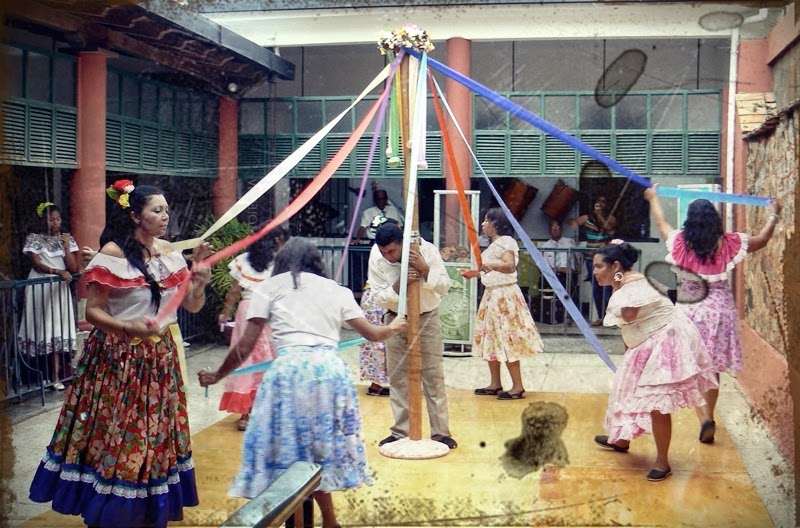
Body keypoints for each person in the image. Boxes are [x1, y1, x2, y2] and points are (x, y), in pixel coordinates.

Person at [29, 183, 212, 528]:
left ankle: (143, 506)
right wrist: (129, 328)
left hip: (159, 359)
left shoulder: (169, 251)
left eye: (166, 210)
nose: (164, 216)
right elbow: (94, 310)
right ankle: (110, 508)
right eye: (156, 210)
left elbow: (191, 305)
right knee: (118, 433)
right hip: (118, 359)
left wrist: (199, 281)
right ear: (134, 216)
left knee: (155, 434)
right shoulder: (112, 253)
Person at [198, 237, 407, 528]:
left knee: (289, 452)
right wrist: (394, 327)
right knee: (320, 450)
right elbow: (373, 334)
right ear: (316, 262)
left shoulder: (267, 288)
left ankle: (292, 517)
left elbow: (244, 346)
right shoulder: (336, 290)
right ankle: (329, 521)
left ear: (281, 262)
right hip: (328, 374)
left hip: (288, 374)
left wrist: (218, 374)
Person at [644, 185, 781, 444]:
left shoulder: (679, 242)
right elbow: (762, 240)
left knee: (693, 367)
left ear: (690, 220)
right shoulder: (729, 243)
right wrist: (774, 215)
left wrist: (653, 199)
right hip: (720, 313)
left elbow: (661, 222)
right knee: (714, 367)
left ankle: (703, 418)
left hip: (691, 313)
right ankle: (709, 415)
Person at [591, 241, 717, 481]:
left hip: (665, 341)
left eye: (598, 267)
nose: (595, 272)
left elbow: (629, 315)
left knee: (657, 403)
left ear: (615, 265)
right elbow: (630, 326)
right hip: (648, 341)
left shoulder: (632, 288)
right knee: (626, 391)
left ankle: (662, 462)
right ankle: (620, 438)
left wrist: (619, 294)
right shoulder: (628, 284)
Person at [368, 222, 457, 449]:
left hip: (427, 317)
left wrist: (426, 270)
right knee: (398, 377)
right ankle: (400, 432)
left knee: (433, 376)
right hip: (395, 320)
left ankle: (440, 433)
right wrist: (400, 284)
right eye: (383, 251)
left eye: (392, 251)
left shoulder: (426, 250)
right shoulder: (376, 256)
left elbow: (445, 287)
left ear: (403, 244)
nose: (387, 256)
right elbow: (378, 297)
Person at [461, 208, 544, 400]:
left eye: (486, 221)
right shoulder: (493, 245)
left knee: (508, 338)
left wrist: (491, 266)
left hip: (504, 296)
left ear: (495, 224)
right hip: (492, 295)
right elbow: (493, 270)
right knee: (492, 338)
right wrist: (474, 273)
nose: (483, 224)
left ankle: (517, 386)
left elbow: (509, 266)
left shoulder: (506, 242)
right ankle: (495, 383)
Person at [217, 225, 290, 431]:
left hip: (247, 311)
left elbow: (233, 291)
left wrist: (225, 313)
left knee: (246, 358)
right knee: (272, 357)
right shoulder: (280, 262)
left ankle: (245, 415)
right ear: (276, 240)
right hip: (270, 311)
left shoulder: (243, 261)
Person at [18, 202, 80, 391]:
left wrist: (67, 247)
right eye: (50, 219)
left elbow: (74, 268)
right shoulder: (34, 238)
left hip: (59, 288)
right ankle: (39, 376)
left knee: (57, 329)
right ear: (43, 220)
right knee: (41, 327)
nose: (55, 223)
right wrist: (57, 272)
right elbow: (37, 264)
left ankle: (55, 376)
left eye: (58, 219)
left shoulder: (66, 238)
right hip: (40, 285)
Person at [567, 195, 617, 325]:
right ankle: (601, 317)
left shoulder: (611, 218)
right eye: (598, 202)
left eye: (603, 202)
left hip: (606, 259)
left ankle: (609, 317)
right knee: (596, 288)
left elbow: (609, 229)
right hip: (591, 259)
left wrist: (599, 215)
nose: (600, 204)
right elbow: (573, 222)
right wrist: (573, 222)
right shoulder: (587, 218)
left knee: (607, 289)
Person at [540, 219, 581, 311]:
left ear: (561, 230)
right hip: (554, 274)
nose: (555, 230)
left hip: (569, 274)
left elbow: (579, 256)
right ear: (549, 230)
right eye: (553, 228)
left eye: (557, 228)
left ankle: (572, 314)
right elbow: (545, 266)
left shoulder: (570, 242)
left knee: (572, 287)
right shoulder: (545, 246)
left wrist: (578, 268)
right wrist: (559, 269)